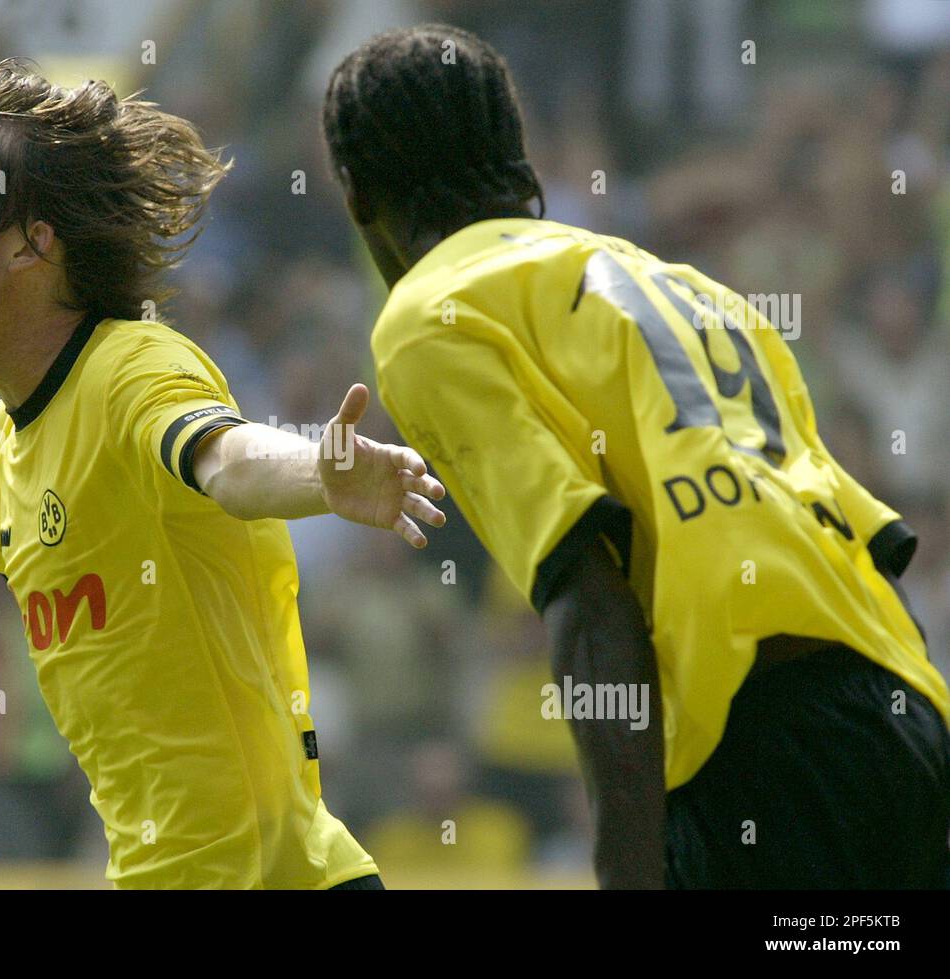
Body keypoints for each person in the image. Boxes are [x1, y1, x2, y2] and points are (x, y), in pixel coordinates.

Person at [0, 59, 447, 890]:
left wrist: (321, 475)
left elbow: (225, 458)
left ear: (32, 243)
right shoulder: (5, 444)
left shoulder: (131, 369)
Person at [322, 24, 950, 888]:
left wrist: (627, 873)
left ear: (356, 194)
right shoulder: (690, 287)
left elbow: (589, 597)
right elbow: (869, 549)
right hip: (908, 721)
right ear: (515, 153)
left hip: (762, 757)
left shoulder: (431, 315)